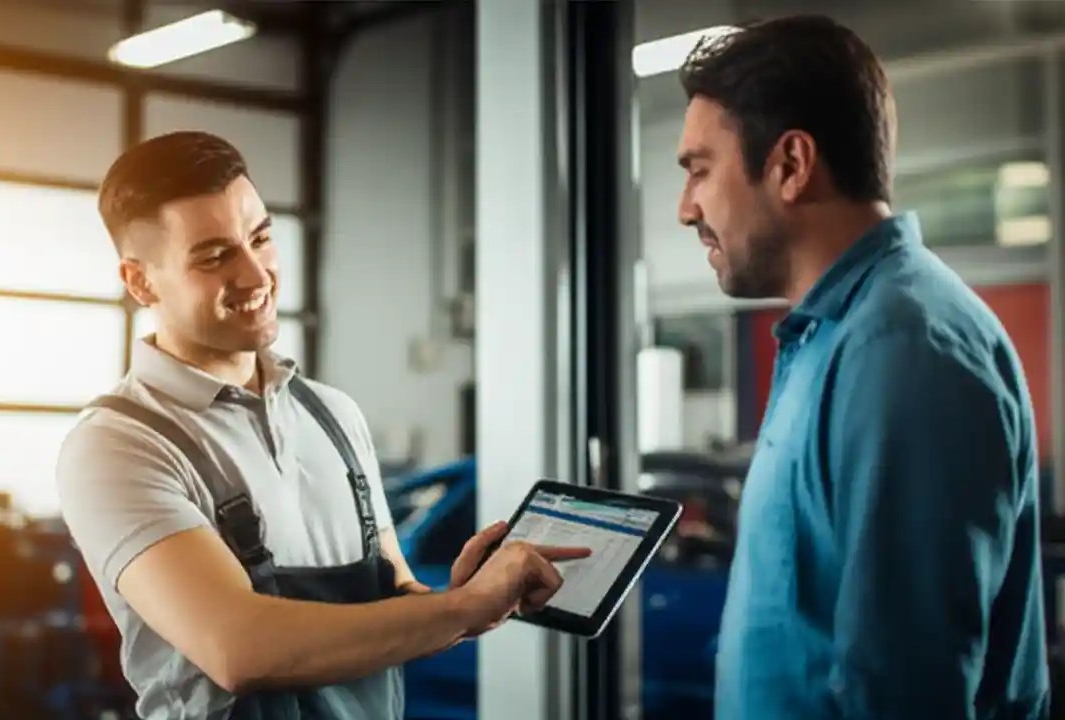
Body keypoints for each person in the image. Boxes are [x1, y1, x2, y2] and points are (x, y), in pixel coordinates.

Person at [56, 131, 588, 720]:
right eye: (213, 257)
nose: (256, 276)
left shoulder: (333, 415)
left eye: (259, 238)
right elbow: (240, 648)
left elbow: (391, 605)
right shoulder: (117, 446)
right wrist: (464, 610)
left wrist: (468, 596)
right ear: (140, 282)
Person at [675, 14, 1049, 720]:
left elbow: (906, 689)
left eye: (699, 170)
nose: (684, 208)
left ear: (790, 165)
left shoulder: (904, 350)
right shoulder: (832, 337)